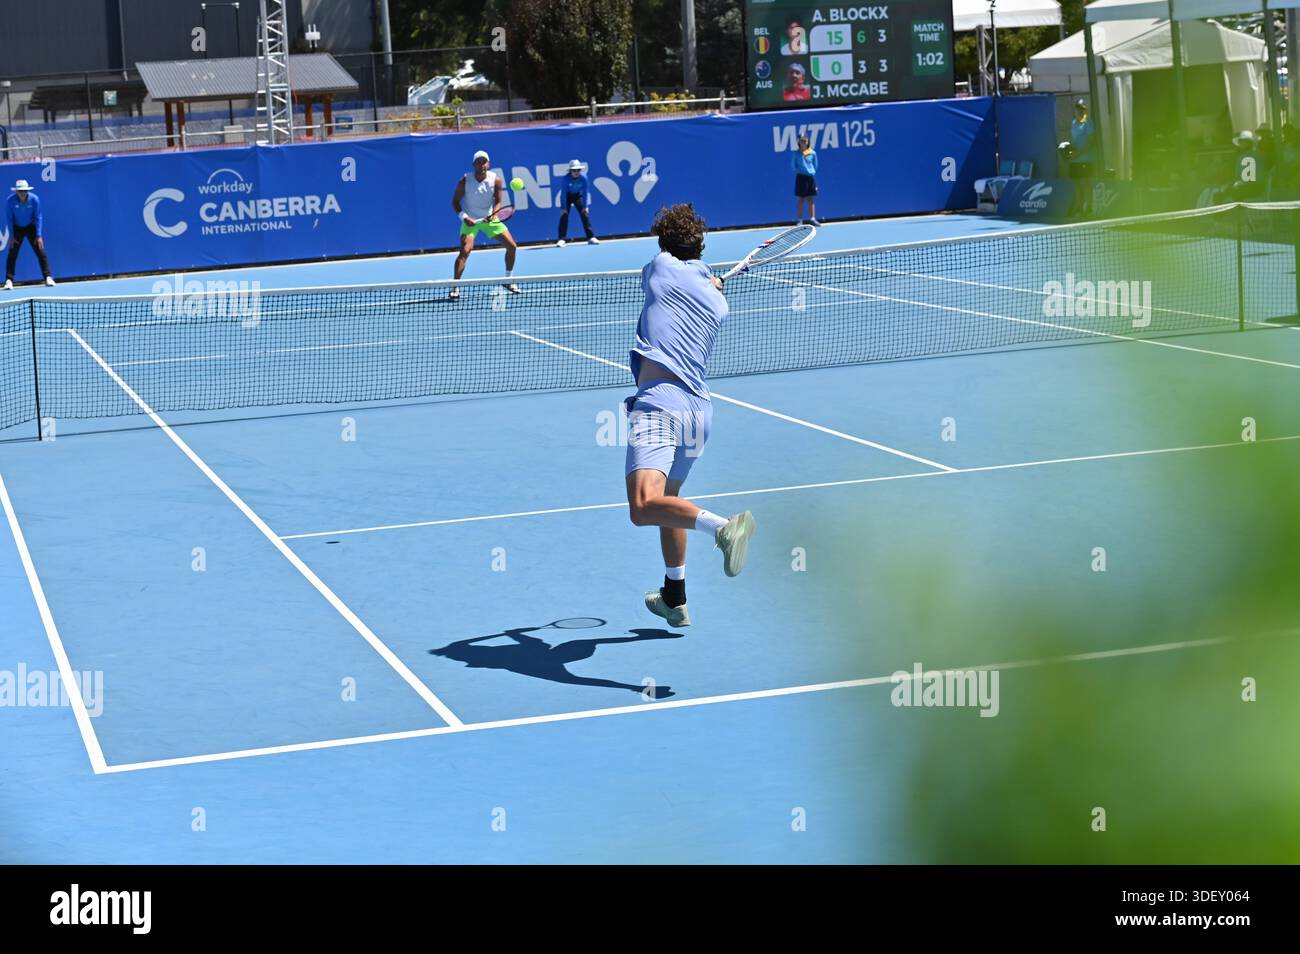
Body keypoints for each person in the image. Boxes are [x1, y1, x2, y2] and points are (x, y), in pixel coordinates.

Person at [624, 203, 756, 629]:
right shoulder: (717, 300)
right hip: (699, 414)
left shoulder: (659, 268)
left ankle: (723, 528)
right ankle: (674, 595)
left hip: (660, 404)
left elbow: (672, 272)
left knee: (644, 507)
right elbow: (699, 282)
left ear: (664, 244)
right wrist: (710, 283)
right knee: (669, 503)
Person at [450, 149, 519, 299]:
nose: (481, 165)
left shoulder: (496, 180)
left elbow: (499, 202)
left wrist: (493, 214)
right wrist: (464, 217)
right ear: (473, 164)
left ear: (489, 164)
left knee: (512, 246)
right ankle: (455, 287)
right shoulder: (465, 181)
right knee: (465, 251)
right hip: (470, 220)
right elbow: (455, 203)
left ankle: (508, 279)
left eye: (484, 161)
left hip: (489, 219)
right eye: (478, 162)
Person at [4, 179, 55, 290]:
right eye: (20, 191)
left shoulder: (35, 199)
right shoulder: (10, 201)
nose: (23, 193)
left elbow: (38, 217)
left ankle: (48, 277)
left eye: (25, 191)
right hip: (17, 228)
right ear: (16, 191)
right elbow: (9, 219)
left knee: (41, 251)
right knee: (12, 253)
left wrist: (39, 235)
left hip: (31, 227)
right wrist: (12, 236)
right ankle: (9, 280)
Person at [556, 159, 598, 247]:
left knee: (584, 214)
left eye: (578, 170)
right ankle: (561, 239)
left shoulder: (584, 178)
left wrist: (586, 206)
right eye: (574, 170)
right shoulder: (565, 179)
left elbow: (586, 192)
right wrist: (563, 207)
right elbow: (563, 194)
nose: (576, 172)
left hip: (577, 196)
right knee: (564, 215)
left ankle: (591, 237)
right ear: (570, 171)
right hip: (567, 196)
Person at [792, 135, 819, 225]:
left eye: (805, 141)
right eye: (801, 141)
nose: (803, 143)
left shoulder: (813, 153)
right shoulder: (796, 153)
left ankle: (812, 219)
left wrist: (811, 172)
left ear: (808, 142)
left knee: (811, 199)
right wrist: (801, 171)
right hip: (801, 178)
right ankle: (800, 220)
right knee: (801, 199)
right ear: (798, 142)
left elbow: (815, 165)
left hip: (810, 178)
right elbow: (793, 166)